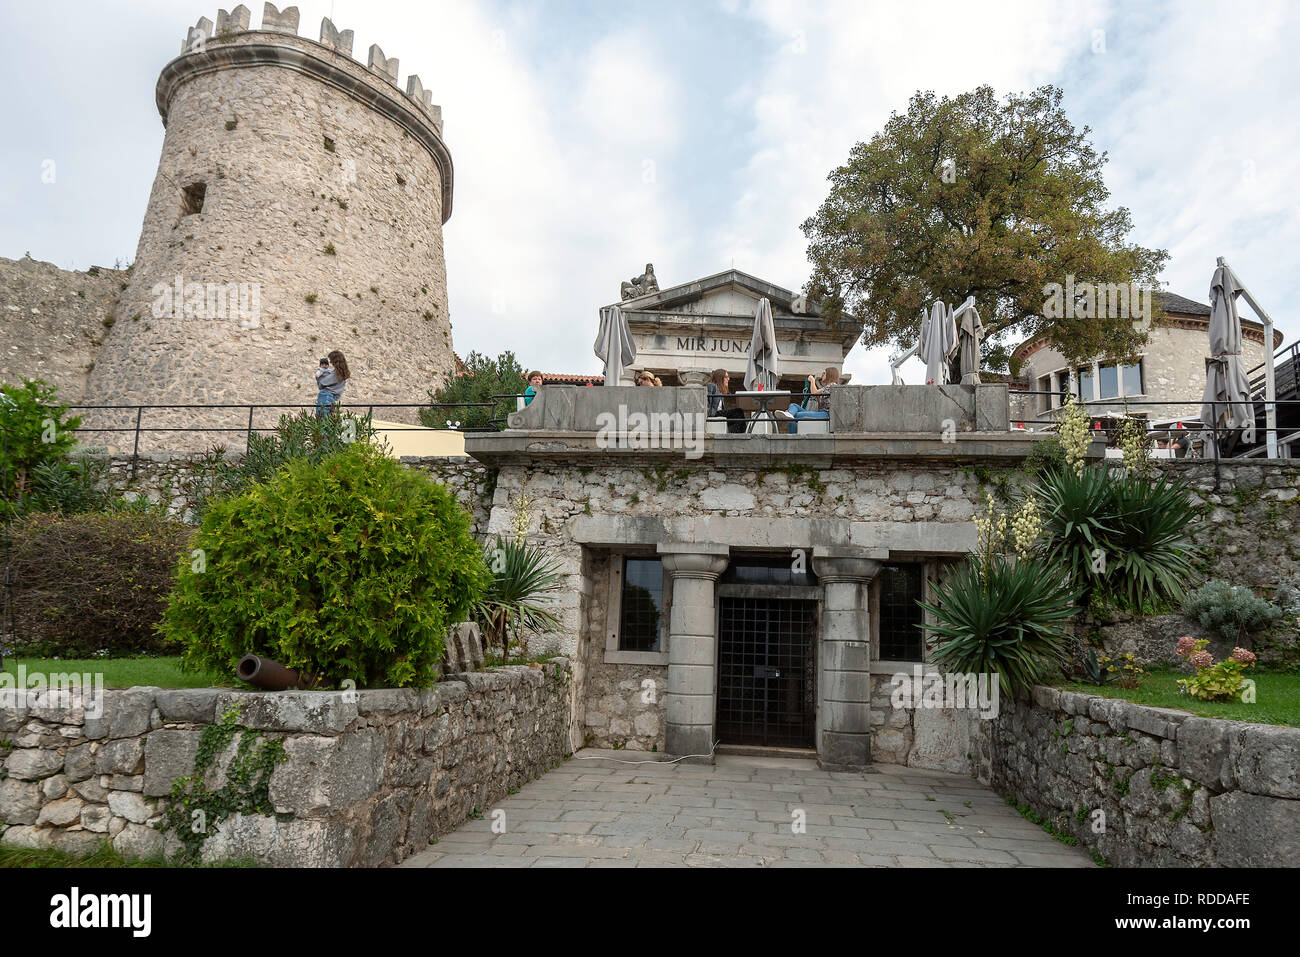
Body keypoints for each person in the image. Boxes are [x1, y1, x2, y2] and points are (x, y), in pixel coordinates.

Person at [781, 366, 838, 433]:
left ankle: (792, 436)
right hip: (821, 413)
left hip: (826, 414)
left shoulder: (832, 385)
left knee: (795, 416)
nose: (822, 375)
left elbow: (814, 392)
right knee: (793, 406)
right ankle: (789, 414)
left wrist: (812, 380)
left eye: (824, 373)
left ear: (829, 375)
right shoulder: (827, 387)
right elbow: (816, 395)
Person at [707, 368, 747, 434]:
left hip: (718, 413)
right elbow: (708, 402)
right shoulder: (712, 386)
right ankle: (734, 433)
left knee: (738, 416)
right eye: (726, 377)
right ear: (720, 378)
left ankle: (735, 432)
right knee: (738, 412)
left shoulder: (720, 391)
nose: (728, 379)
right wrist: (708, 415)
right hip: (714, 414)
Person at [314, 350, 349, 417]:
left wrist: (319, 377)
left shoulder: (336, 373)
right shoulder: (342, 373)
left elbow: (321, 384)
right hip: (333, 398)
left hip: (325, 396)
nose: (330, 362)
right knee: (328, 421)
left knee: (321, 420)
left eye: (331, 360)